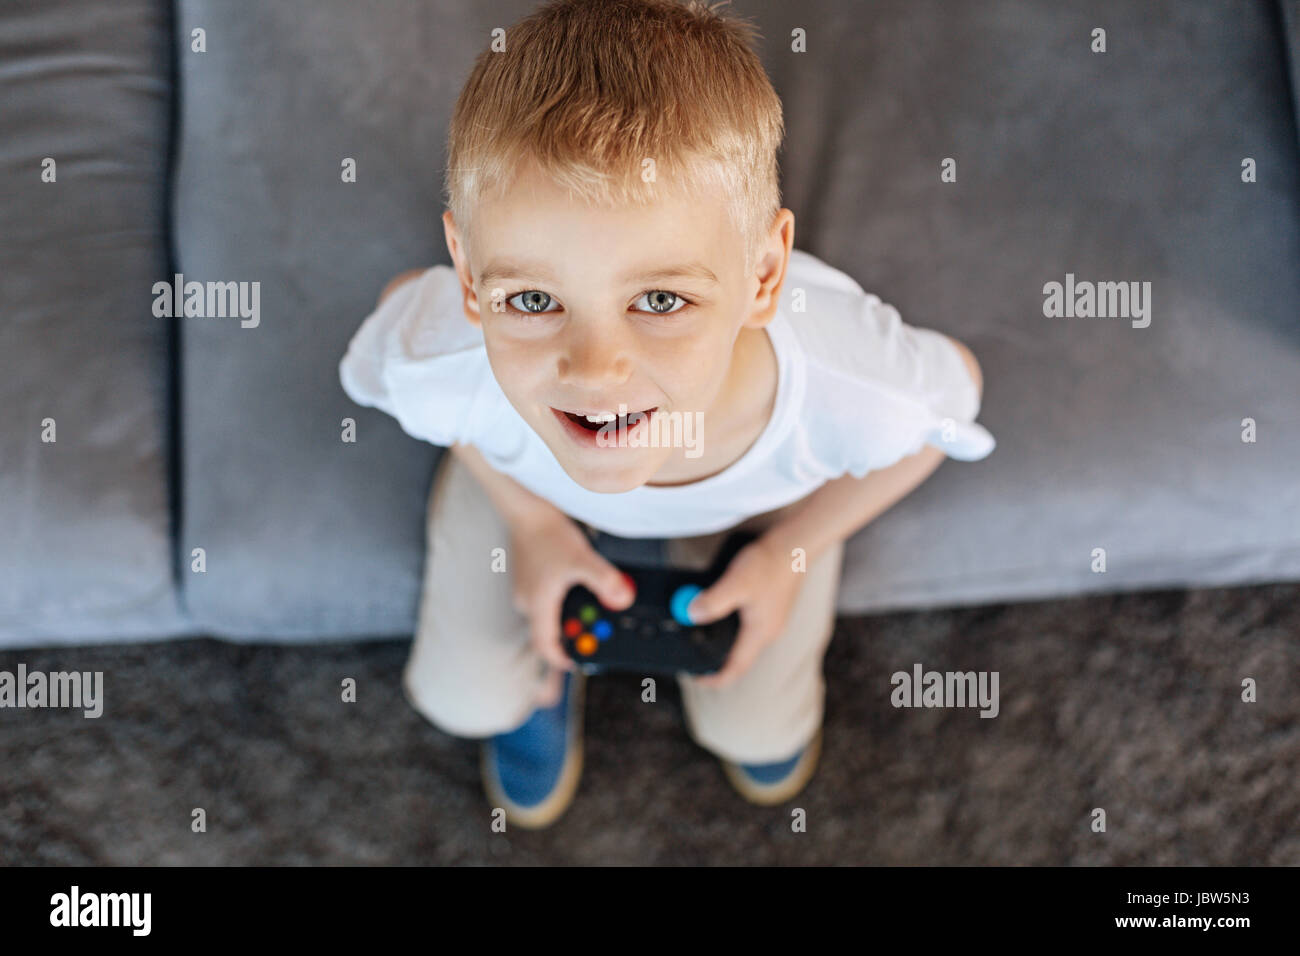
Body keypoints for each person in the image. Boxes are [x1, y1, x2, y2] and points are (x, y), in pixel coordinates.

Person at [339, 0, 995, 829]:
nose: (595, 371)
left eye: (659, 298)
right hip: (523, 472)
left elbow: (949, 408)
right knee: (463, 698)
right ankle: (540, 685)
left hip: (757, 509)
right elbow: (404, 323)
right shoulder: (444, 366)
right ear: (469, 279)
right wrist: (531, 524)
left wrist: (789, 551)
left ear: (764, 274)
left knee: (753, 721)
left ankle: (748, 653)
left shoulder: (852, 392)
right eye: (534, 298)